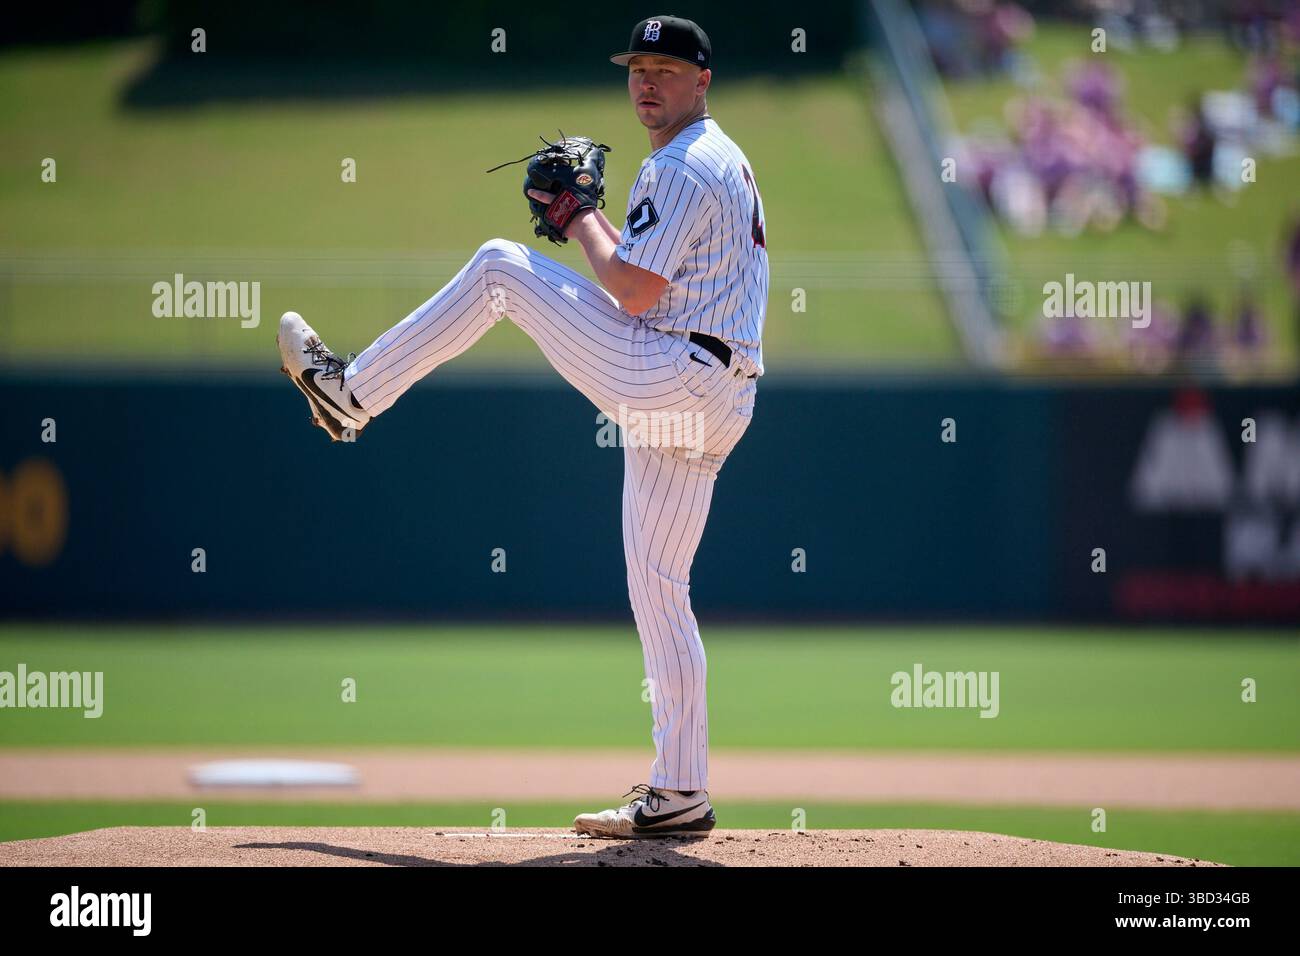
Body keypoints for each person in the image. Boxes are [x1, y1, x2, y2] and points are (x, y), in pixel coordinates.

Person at [277, 14, 768, 839]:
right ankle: (682, 789)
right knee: (660, 593)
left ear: (702, 80)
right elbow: (642, 279)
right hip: (719, 393)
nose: (646, 80)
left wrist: (577, 215)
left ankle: (351, 395)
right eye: (636, 66)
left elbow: (632, 294)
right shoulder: (717, 158)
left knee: (502, 268)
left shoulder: (684, 163)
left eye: (666, 67)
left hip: (675, 371)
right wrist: (591, 221)